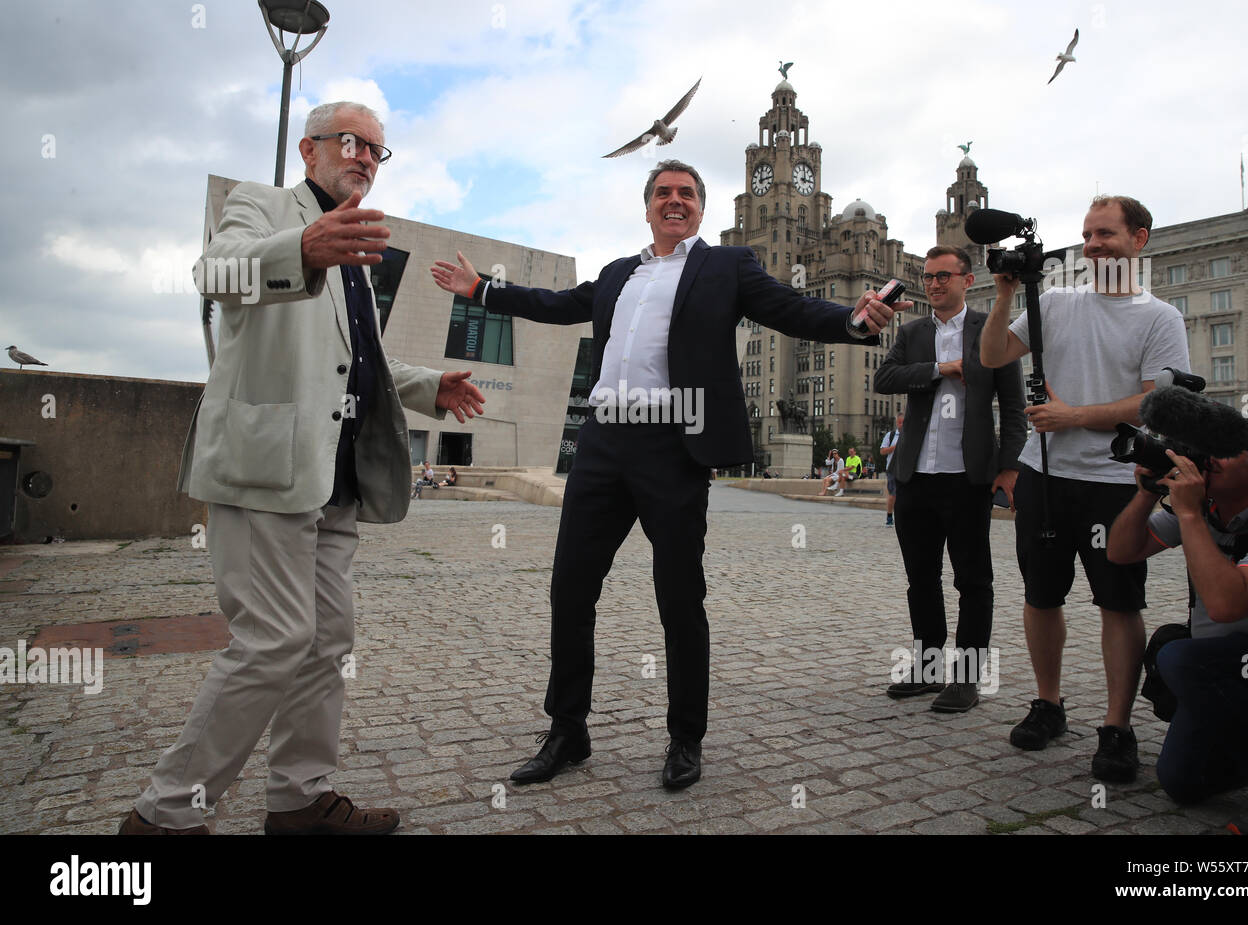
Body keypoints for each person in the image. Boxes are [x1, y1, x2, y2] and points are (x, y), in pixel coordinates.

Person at [432, 159, 908, 789]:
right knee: (571, 590)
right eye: (663, 193)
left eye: (686, 193)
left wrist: (851, 321)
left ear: (702, 209)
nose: (673, 201)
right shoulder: (617, 274)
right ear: (648, 206)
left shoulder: (725, 267)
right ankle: (567, 730)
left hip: (672, 444)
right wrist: (483, 291)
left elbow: (791, 309)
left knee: (679, 598)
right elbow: (553, 304)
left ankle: (685, 738)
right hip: (601, 443)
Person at [121, 101, 485, 836]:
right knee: (275, 638)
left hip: (334, 474)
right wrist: (301, 248)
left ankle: (298, 799)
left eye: (379, 151)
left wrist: (424, 386)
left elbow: (354, 357)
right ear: (309, 147)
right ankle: (165, 816)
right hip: (268, 464)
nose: (364, 157)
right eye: (351, 142)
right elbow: (215, 274)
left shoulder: (351, 247)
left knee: (326, 639)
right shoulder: (265, 206)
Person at [979, 195, 1190, 782]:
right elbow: (993, 354)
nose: (1093, 245)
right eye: (1086, 235)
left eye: (1106, 234)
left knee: (1118, 603)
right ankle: (1049, 704)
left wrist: (1074, 417)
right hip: (1044, 474)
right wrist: (1002, 293)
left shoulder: (1159, 317)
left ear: (1139, 239)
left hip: (1115, 481)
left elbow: (1157, 402)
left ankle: (1117, 727)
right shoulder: (1055, 303)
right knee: (1041, 596)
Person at [1107, 449, 1248, 834]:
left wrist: (1191, 515)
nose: (1209, 460)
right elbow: (1121, 551)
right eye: (1206, 450)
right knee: (1183, 782)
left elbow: (1227, 605)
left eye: (1225, 453)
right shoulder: (1208, 508)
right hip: (1229, 672)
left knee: (1183, 657)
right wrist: (1147, 492)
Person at [876, 246, 1027, 712]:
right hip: (916, 475)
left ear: (967, 280)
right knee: (921, 578)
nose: (934, 284)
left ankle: (965, 678)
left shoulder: (990, 330)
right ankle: (926, 668)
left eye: (944, 276)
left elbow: (1015, 408)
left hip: (968, 477)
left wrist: (1008, 468)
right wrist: (939, 370)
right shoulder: (914, 331)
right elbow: (884, 378)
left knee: (973, 580)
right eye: (928, 277)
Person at [880, 413, 904, 526]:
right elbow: (882, 451)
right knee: (893, 493)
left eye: (904, 422)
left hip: (906, 469)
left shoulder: (910, 435)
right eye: (900, 422)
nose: (902, 425)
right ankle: (889, 517)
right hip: (892, 468)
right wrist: (894, 447)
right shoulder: (891, 435)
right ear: (897, 423)